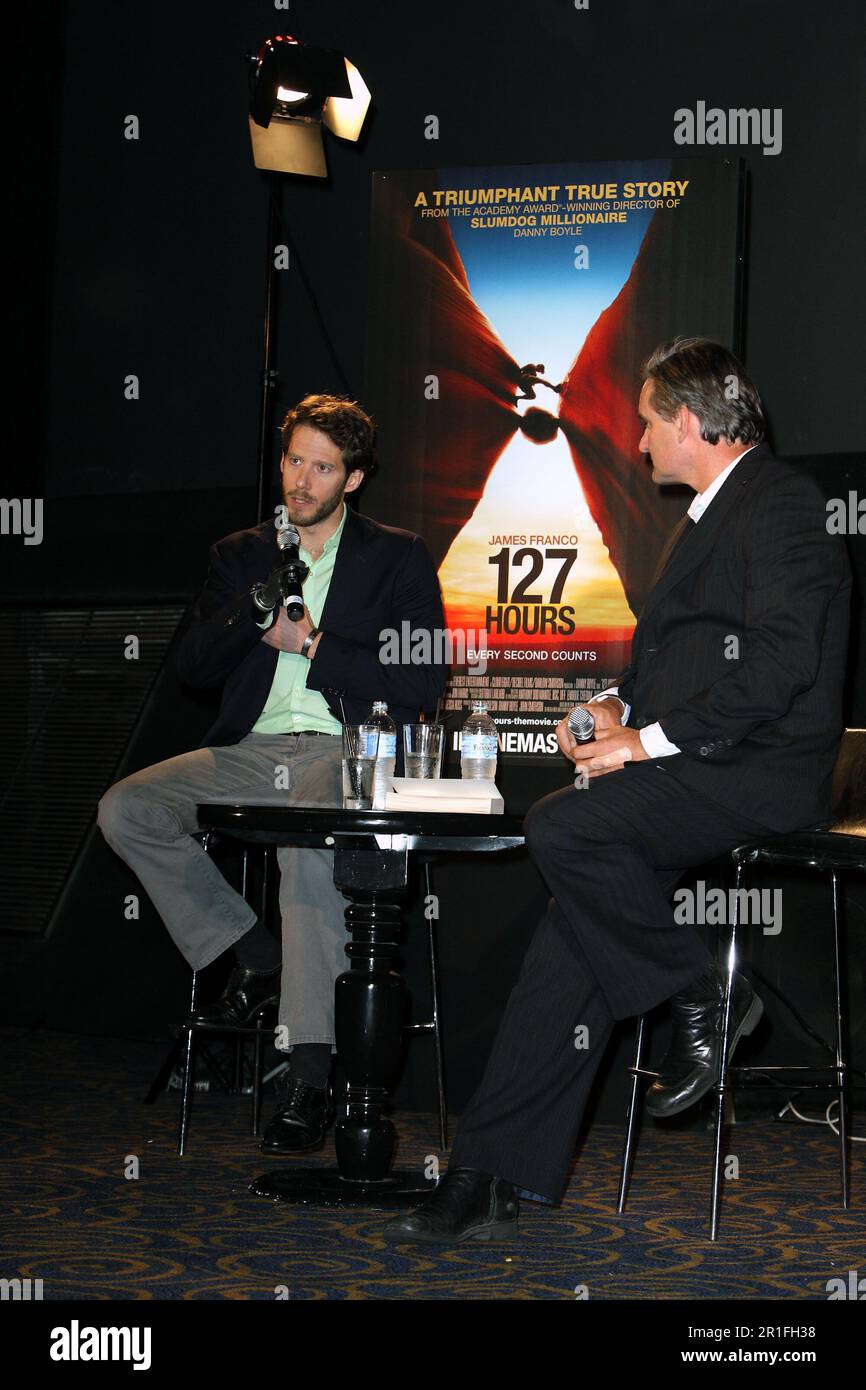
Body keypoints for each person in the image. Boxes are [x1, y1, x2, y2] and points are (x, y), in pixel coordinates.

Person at [382, 337, 851, 1244]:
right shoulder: (711, 517)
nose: (636, 444)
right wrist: (612, 708)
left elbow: (780, 668)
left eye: (645, 422)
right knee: (576, 927)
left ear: (687, 420)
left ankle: (704, 993)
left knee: (564, 829)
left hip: (763, 771)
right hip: (699, 763)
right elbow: (666, 663)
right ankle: (492, 1174)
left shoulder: (785, 506)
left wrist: (648, 742)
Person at [97, 394, 447, 1152]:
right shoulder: (241, 553)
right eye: (294, 460)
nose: (302, 479)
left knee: (303, 851)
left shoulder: (397, 555)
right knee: (126, 808)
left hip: (342, 750)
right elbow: (191, 668)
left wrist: (313, 645)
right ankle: (253, 953)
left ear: (352, 480)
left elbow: (422, 684)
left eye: (322, 467)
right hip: (248, 750)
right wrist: (255, 618)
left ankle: (310, 1072)